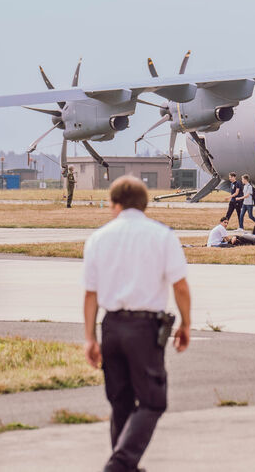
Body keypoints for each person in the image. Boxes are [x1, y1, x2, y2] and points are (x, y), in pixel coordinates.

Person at [83, 176, 192, 472]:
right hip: (144, 329)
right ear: (144, 204)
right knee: (153, 401)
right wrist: (186, 324)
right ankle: (119, 464)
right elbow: (180, 286)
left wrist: (90, 337)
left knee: (120, 401)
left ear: (116, 204)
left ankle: (125, 466)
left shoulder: (98, 238)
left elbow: (91, 294)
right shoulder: (162, 235)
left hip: (111, 326)